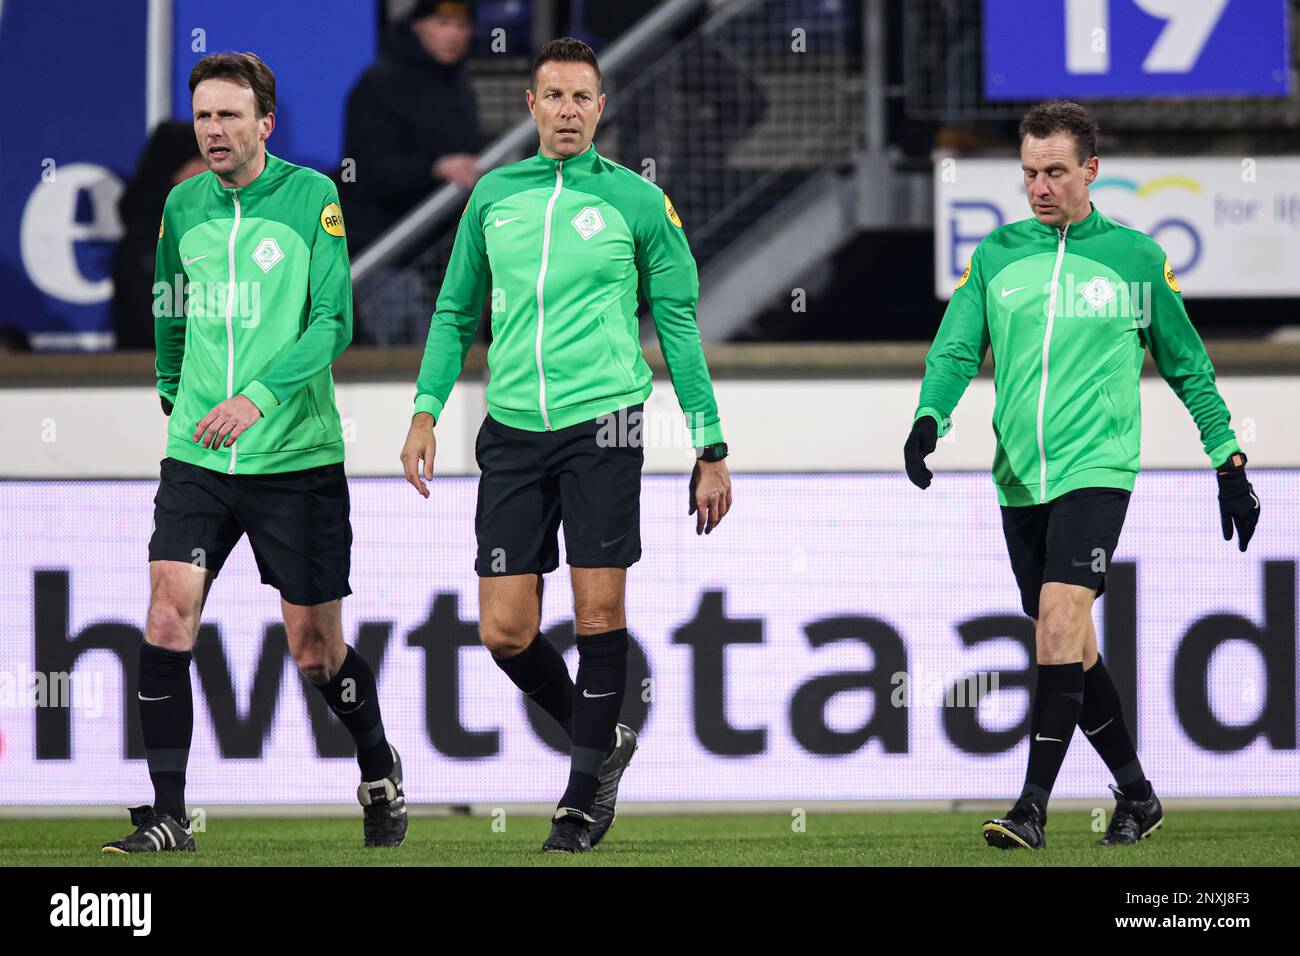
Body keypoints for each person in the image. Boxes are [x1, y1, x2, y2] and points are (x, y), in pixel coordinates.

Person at [400, 37, 732, 853]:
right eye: (554, 97)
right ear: (530, 105)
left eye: (583, 98)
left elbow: (680, 326)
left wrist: (710, 444)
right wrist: (424, 411)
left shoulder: (638, 203)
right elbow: (453, 314)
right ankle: (606, 738)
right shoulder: (492, 197)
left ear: (601, 108)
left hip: (607, 423)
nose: (569, 111)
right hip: (511, 429)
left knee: (598, 610)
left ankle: (581, 798)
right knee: (505, 630)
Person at [904, 100, 1260, 850]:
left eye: (1055, 172)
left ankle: (1032, 807)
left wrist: (1227, 458)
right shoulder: (996, 255)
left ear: (1091, 171)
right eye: (1029, 172)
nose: (1040, 186)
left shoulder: (1134, 259)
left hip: (1098, 469)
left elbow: (1188, 365)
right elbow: (955, 350)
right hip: (1018, 479)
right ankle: (1137, 794)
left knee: (1059, 619)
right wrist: (929, 418)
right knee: (1073, 646)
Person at [103, 52, 406, 853]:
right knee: (169, 613)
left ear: (265, 124)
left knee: (314, 652)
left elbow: (330, 323)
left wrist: (257, 400)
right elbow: (169, 303)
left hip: (295, 455)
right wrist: (175, 387)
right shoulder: (181, 206)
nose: (214, 130)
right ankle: (168, 814)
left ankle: (377, 765)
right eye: (204, 115)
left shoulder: (313, 198)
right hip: (199, 454)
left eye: (230, 115)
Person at [341, 0, 482, 255]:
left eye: (462, 25)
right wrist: (435, 168)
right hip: (383, 249)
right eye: (443, 23)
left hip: (437, 248)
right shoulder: (380, 81)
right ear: (418, 26)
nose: (453, 34)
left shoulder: (461, 86)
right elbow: (367, 168)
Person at [111, 121, 205, 350]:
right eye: (199, 162)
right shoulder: (140, 248)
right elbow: (144, 329)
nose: (210, 172)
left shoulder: (226, 231)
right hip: (147, 377)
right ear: (172, 171)